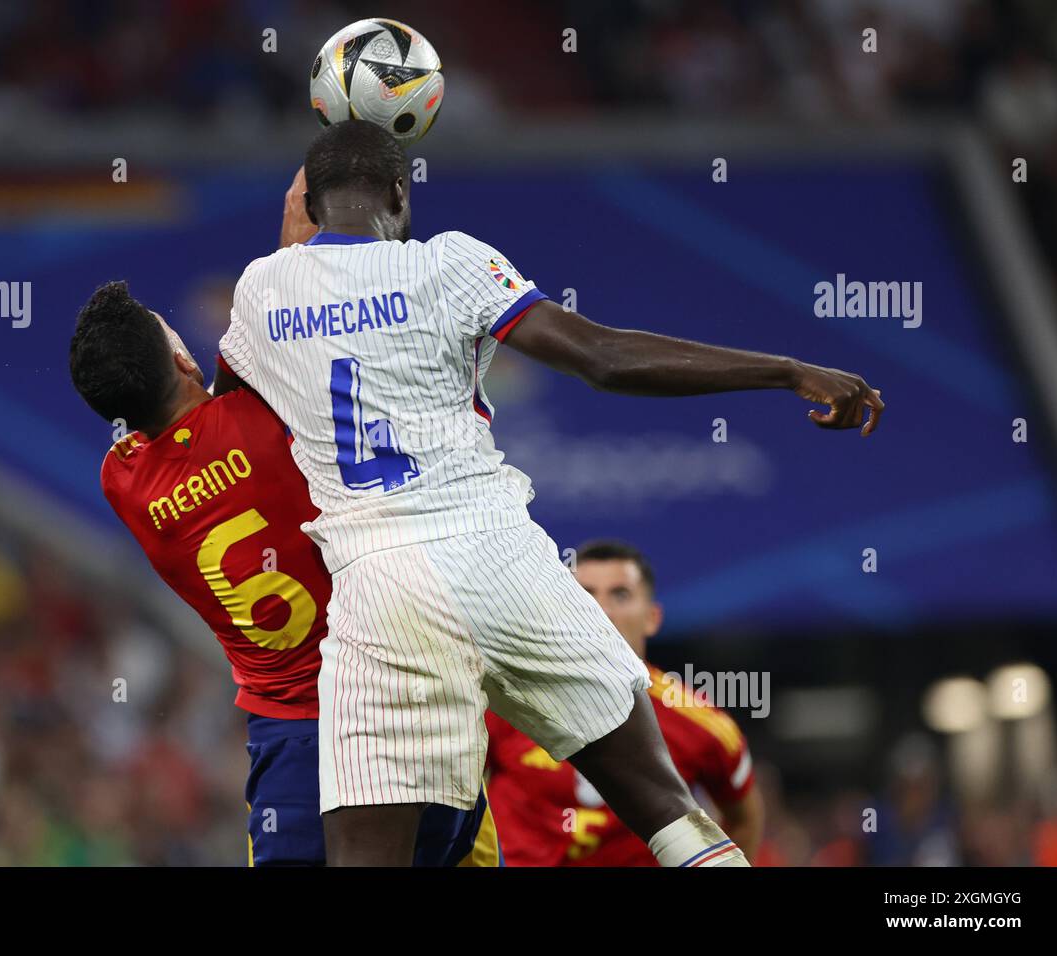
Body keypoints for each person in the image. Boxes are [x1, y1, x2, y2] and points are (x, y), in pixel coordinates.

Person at [215, 119, 882, 866]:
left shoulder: (260, 290)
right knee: (665, 808)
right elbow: (602, 357)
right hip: (498, 555)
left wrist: (289, 253)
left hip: (378, 588)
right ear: (401, 195)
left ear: (308, 202)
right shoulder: (450, 261)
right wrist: (787, 369)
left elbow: (236, 414)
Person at [68, 280, 499, 866]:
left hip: (293, 743)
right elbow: (288, 294)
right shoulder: (265, 411)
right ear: (182, 358)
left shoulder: (123, 484)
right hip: (405, 701)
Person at [486, 541, 763, 866]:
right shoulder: (506, 696)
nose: (600, 610)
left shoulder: (702, 724)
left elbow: (744, 819)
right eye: (585, 594)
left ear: (652, 618)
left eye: (620, 595)